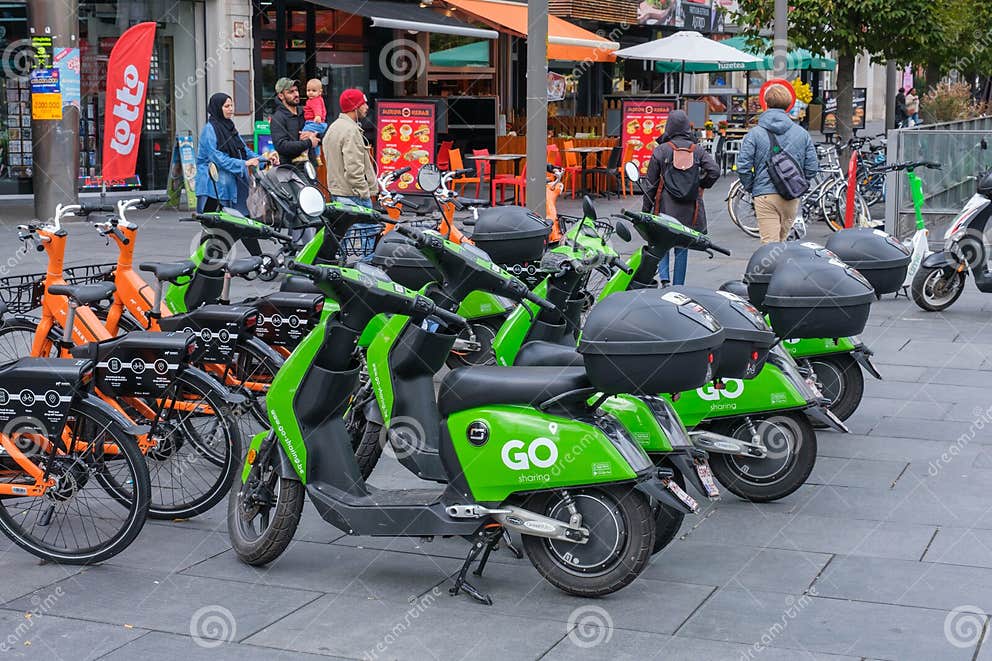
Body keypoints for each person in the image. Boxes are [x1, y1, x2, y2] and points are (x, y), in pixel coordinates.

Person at [641, 110, 719, 285]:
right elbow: (714, 170)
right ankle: (678, 286)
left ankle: (664, 280)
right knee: (682, 247)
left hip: (664, 206)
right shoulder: (696, 150)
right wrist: (701, 184)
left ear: (669, 126)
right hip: (690, 209)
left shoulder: (661, 150)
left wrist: (645, 210)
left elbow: (651, 185)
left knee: (662, 242)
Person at [736, 83, 818, 244]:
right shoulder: (802, 134)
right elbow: (812, 167)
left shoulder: (754, 134)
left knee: (769, 245)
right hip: (791, 196)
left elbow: (743, 166)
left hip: (764, 195)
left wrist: (753, 186)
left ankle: (772, 270)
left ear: (765, 103)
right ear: (789, 105)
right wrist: (799, 182)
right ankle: (782, 268)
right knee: (782, 243)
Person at [323, 87, 378, 260]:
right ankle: (368, 273)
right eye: (363, 103)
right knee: (367, 239)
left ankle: (343, 269)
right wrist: (364, 192)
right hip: (353, 192)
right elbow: (354, 168)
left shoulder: (334, 127)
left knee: (343, 238)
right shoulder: (351, 131)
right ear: (355, 107)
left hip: (337, 191)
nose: (366, 107)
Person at [195, 92, 263, 214]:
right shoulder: (209, 130)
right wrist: (244, 163)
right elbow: (218, 158)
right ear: (217, 108)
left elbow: (244, 150)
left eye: (231, 105)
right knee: (217, 222)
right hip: (213, 184)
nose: (231, 109)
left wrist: (264, 158)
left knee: (234, 220)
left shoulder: (229, 127)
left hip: (229, 179)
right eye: (226, 106)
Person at [270, 77, 319, 166]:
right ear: (281, 96)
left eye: (296, 90)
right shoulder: (277, 118)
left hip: (311, 167)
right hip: (290, 171)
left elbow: (322, 131)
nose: (296, 94)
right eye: (290, 92)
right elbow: (282, 146)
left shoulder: (305, 111)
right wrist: (309, 142)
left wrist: (314, 135)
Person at [302, 78, 328, 162]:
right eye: (308, 90)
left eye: (313, 90)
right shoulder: (319, 99)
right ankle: (318, 157)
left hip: (314, 122)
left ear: (320, 92)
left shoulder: (314, 100)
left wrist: (317, 116)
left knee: (304, 135)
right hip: (319, 124)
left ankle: (304, 153)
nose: (310, 93)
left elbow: (317, 109)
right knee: (315, 141)